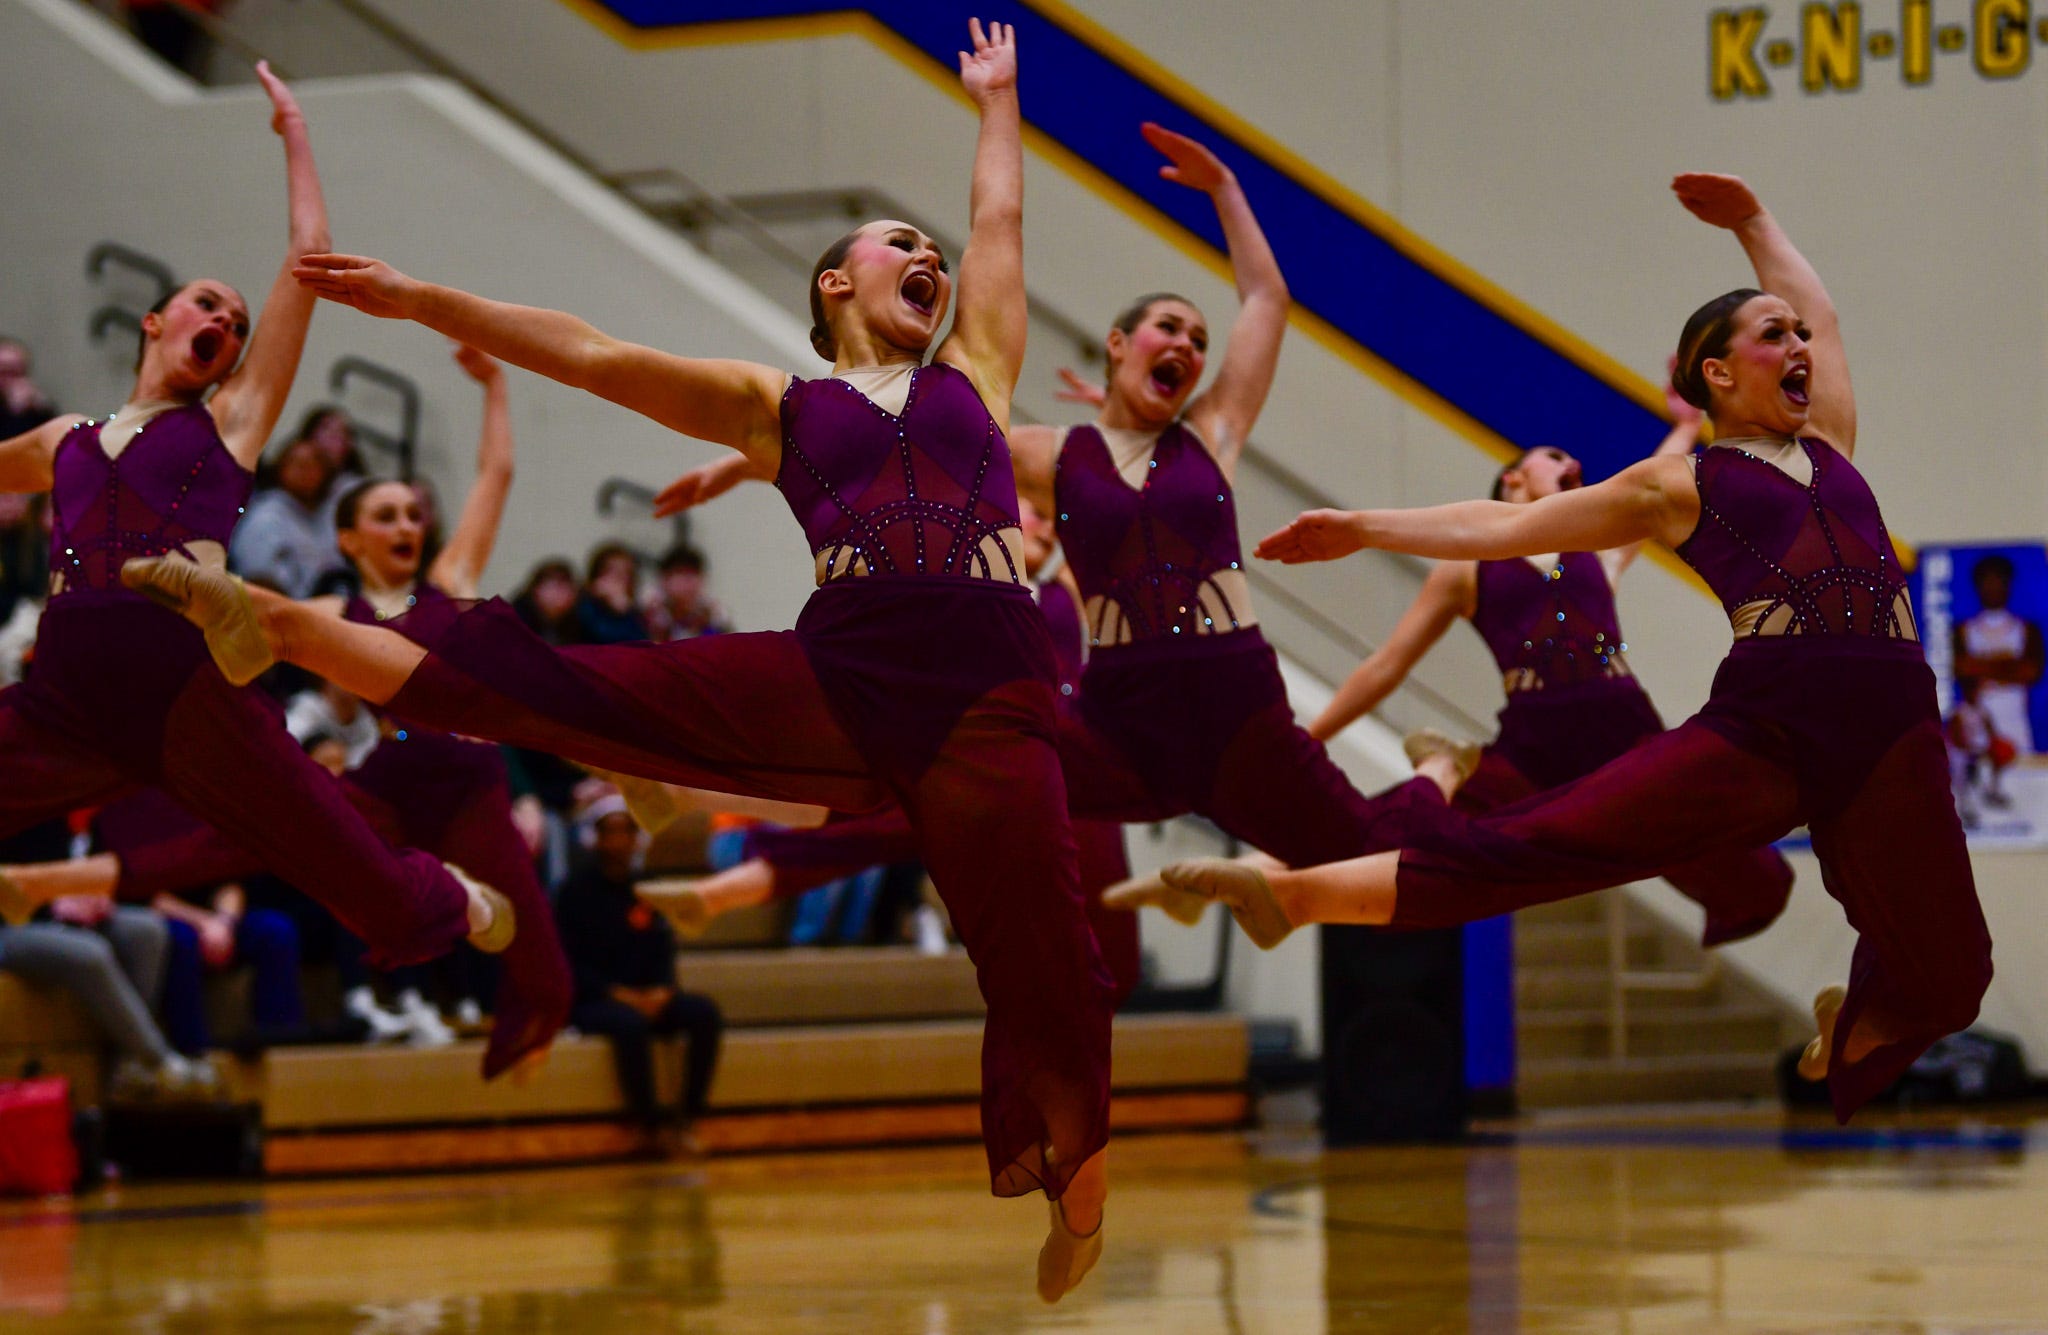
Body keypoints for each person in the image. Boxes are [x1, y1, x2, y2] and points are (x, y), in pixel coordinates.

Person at [137, 22, 1114, 1302]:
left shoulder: (976, 375)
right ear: (833, 287)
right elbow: (592, 356)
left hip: (990, 690)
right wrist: (430, 302)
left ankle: (1074, 1167)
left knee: (1042, 941)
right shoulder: (780, 403)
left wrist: (997, 102)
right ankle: (284, 621)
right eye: (896, 247)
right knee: (580, 685)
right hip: (850, 669)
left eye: (925, 249)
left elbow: (999, 219)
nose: (925, 254)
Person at [1156, 173, 1992, 1127]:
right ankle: (1296, 896)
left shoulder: (1834, 446)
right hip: (1773, 721)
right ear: (1718, 373)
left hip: (1894, 725)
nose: (1801, 345)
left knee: (1957, 976)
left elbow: (1829, 316)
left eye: (1797, 336)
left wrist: (1754, 221)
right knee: (1545, 842)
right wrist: (1366, 525)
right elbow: (1506, 525)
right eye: (1775, 335)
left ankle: (1858, 1025)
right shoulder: (1682, 484)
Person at [658, 123, 1474, 925]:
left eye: (1197, 338)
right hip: (1120, 713)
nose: (1188, 345)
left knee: (1374, 849)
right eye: (1168, 328)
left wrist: (1226, 189)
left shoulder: (1213, 433)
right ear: (1119, 346)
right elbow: (889, 439)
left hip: (1236, 702)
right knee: (936, 780)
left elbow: (1267, 300)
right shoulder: (1055, 453)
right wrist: (741, 461)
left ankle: (1438, 768)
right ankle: (707, 808)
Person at [0, 65, 521, 1073]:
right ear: (154, 322)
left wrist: (293, 132)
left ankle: (448, 899)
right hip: (64, 694)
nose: (227, 326)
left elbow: (309, 257)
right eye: (208, 306)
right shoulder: (64, 438)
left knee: (342, 865)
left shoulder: (228, 424)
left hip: (186, 683)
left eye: (237, 324)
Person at [1299, 389, 1793, 948]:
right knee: (1412, 838)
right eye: (1555, 457)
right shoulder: (1466, 567)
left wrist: (1687, 420)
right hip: (1533, 746)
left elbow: (1658, 478)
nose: (1573, 467)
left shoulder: (1600, 548)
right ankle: (1280, 872)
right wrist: (1305, 740)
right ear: (1512, 479)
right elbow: (1387, 665)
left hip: (1621, 731)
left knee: (1754, 878)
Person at [639, 497, 1144, 1005]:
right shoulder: (965, 588)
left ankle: (699, 845)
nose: (1048, 527)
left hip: (1068, 759)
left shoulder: (1065, 592)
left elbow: (1109, 533)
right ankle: (700, 843)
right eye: (1032, 513)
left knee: (1105, 928)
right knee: (867, 811)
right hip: (994, 758)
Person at [554, 793, 723, 1155]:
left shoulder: (648, 890)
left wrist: (663, 990)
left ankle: (688, 1118)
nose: (618, 841)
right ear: (595, 839)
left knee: (703, 1012)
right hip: (595, 1001)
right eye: (609, 832)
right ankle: (648, 1126)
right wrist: (618, 994)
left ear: (636, 839)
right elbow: (567, 962)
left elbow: (663, 949)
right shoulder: (574, 893)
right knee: (629, 1024)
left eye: (625, 832)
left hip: (647, 996)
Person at [1953, 553, 2043, 760]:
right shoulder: (1963, 631)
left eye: (1999, 581)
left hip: (2016, 727)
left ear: (2009, 584)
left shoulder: (2026, 630)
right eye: (1987, 581)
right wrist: (2009, 666)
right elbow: (1961, 669)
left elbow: (2030, 671)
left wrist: (1979, 666)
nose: (1993, 587)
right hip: (1976, 727)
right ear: (1977, 586)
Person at [230, 434, 341, 597]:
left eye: (313, 465)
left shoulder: (328, 516)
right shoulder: (265, 515)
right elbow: (260, 581)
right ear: (281, 468)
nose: (304, 471)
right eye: (297, 463)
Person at [648, 543, 731, 641]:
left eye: (693, 574)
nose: (688, 581)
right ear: (664, 580)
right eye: (680, 573)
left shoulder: (714, 616)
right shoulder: (652, 616)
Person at [574, 542, 649, 645]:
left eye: (625, 573)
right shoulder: (583, 602)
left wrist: (625, 611)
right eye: (611, 571)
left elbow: (641, 645)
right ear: (597, 574)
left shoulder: (633, 609)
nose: (617, 578)